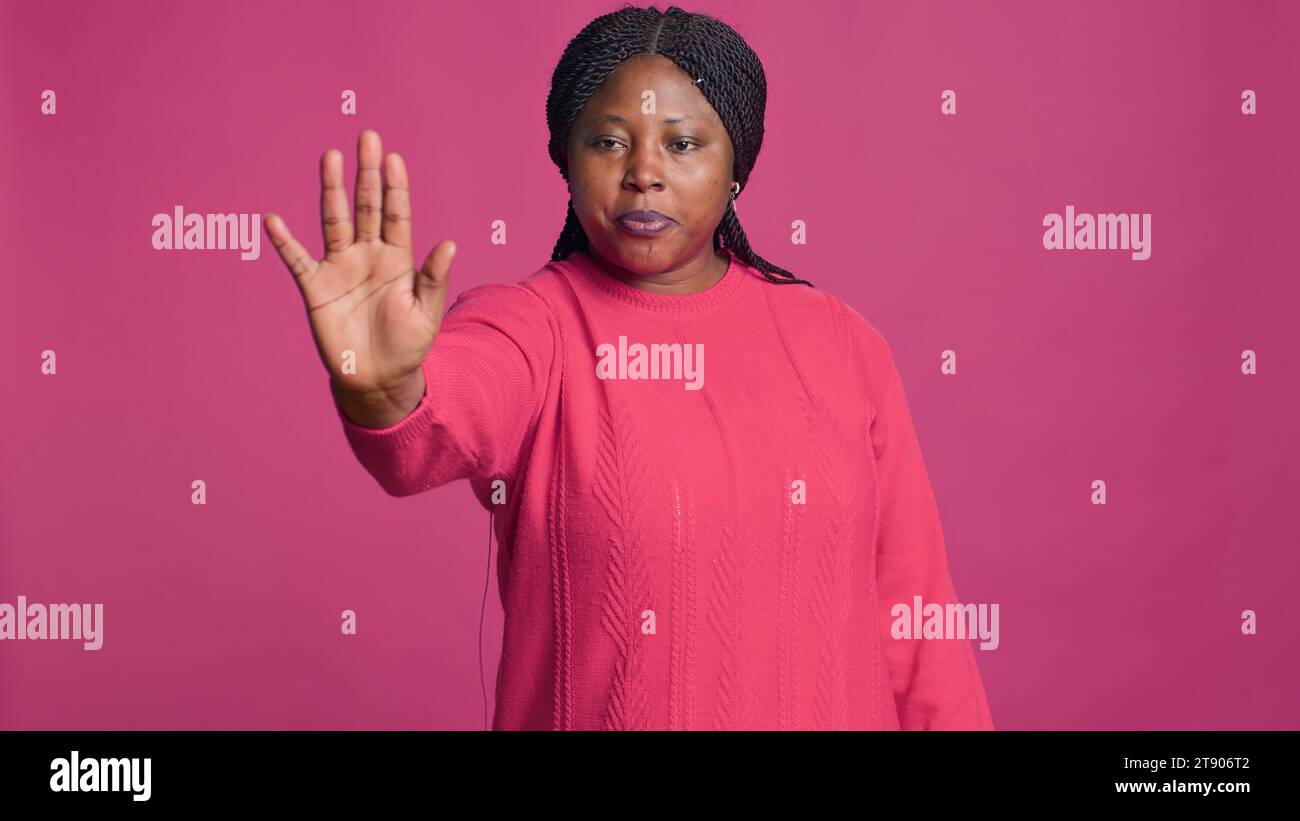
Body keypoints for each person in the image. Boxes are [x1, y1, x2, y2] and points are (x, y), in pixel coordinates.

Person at [264, 4, 993, 731]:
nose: (644, 173)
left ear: (736, 163)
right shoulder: (532, 327)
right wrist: (385, 384)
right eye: (609, 141)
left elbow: (917, 616)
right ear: (567, 158)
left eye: (683, 144)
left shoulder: (842, 343)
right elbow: (435, 422)